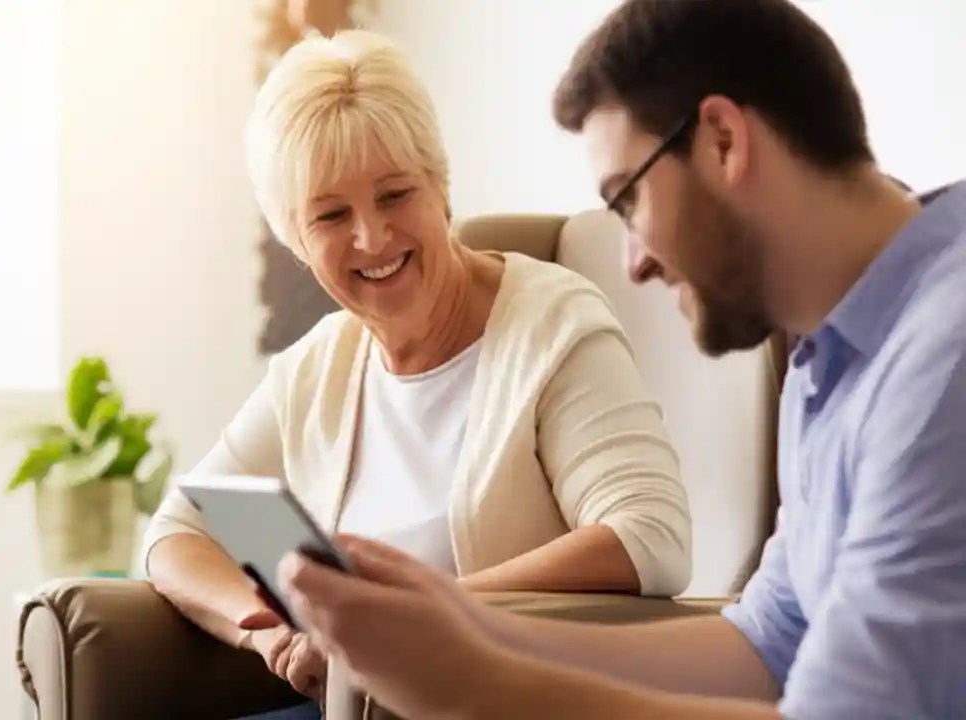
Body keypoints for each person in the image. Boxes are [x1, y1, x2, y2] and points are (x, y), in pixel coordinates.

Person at [263, 1, 966, 718]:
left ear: (723, 141)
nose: (632, 264)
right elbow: (765, 645)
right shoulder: (831, 358)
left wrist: (478, 688)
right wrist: (461, 624)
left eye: (626, 201)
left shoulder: (945, 362)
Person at [142, 29, 693, 718]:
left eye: (396, 195)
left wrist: (410, 618)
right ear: (296, 240)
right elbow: (175, 532)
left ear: (441, 188)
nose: (372, 238)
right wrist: (270, 634)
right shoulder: (323, 363)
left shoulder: (551, 324)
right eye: (332, 215)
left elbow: (649, 536)